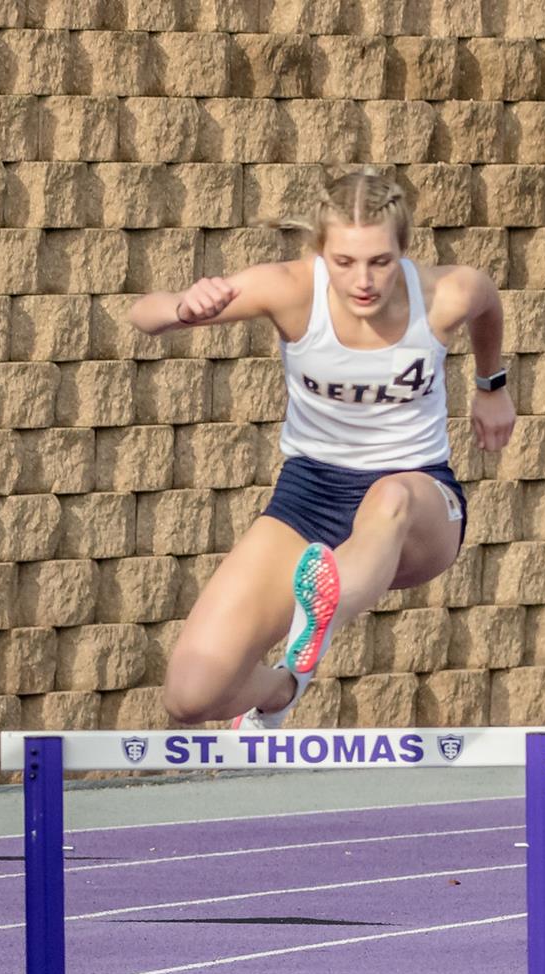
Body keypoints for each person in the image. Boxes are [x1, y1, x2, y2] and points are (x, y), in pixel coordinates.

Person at [130, 170, 517, 728]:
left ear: (403, 250)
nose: (363, 281)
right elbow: (143, 314)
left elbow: (488, 305)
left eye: (380, 262)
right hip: (309, 499)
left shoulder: (445, 293)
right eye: (344, 262)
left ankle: (321, 613)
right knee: (192, 695)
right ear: (320, 252)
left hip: (417, 505)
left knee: (390, 498)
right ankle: (284, 685)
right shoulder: (288, 289)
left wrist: (491, 387)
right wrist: (183, 306)